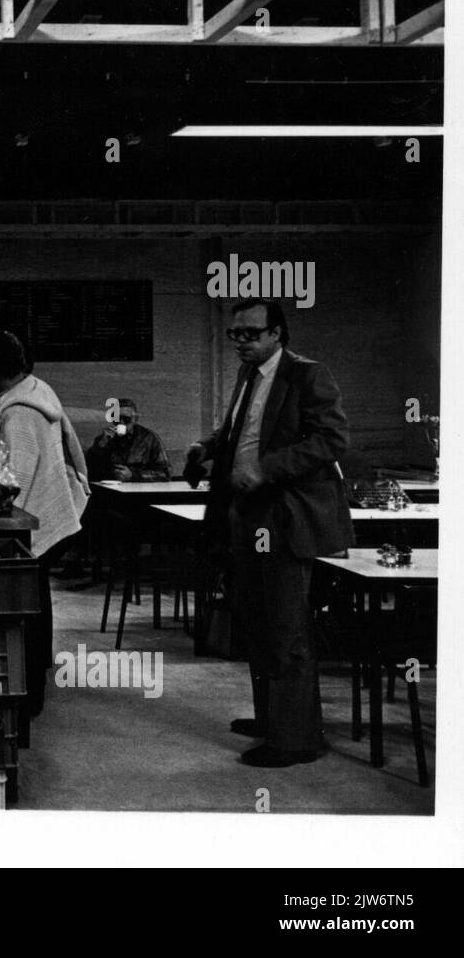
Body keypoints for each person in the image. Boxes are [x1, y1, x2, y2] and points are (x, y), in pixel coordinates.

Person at [186, 300, 353, 768]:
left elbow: (331, 440)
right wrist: (209, 445)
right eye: (234, 335)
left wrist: (266, 470)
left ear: (277, 334)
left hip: (285, 517)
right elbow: (242, 432)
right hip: (247, 516)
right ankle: (274, 719)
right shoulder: (248, 377)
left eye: (250, 334)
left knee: (285, 628)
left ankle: (296, 740)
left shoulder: (308, 375)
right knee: (258, 624)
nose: (240, 342)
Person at [0, 331, 90, 733]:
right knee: (35, 602)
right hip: (54, 511)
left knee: (27, 608)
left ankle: (29, 696)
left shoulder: (19, 411)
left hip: (33, 517)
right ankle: (35, 681)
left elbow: (16, 478)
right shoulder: (36, 389)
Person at [85, 398, 171, 482]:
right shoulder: (105, 438)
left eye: (126, 419)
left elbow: (165, 474)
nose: (121, 422)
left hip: (138, 491)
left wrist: (134, 475)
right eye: (117, 419)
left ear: (135, 419)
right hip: (111, 490)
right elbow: (88, 469)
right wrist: (99, 447)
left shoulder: (149, 438)